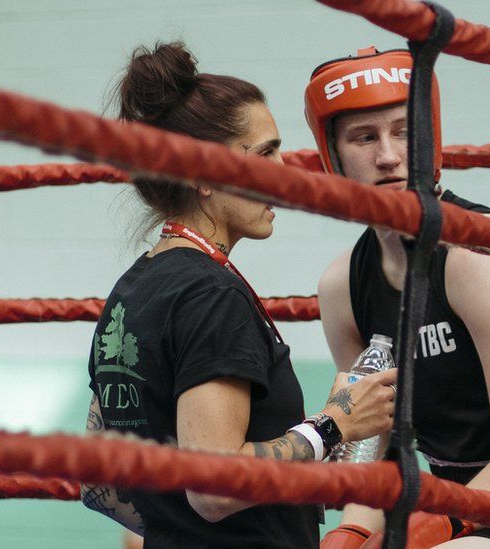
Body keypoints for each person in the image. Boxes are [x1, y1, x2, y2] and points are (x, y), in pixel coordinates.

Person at [81, 42, 398, 549]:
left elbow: (105, 481)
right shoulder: (210, 295)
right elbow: (214, 488)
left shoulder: (132, 289)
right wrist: (336, 423)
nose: (283, 170)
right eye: (265, 153)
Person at [306, 48, 490, 549]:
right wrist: (352, 531)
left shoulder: (483, 259)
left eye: (404, 131)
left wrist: (419, 533)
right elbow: (377, 447)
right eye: (364, 137)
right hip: (452, 508)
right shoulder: (343, 288)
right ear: (333, 156)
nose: (388, 155)